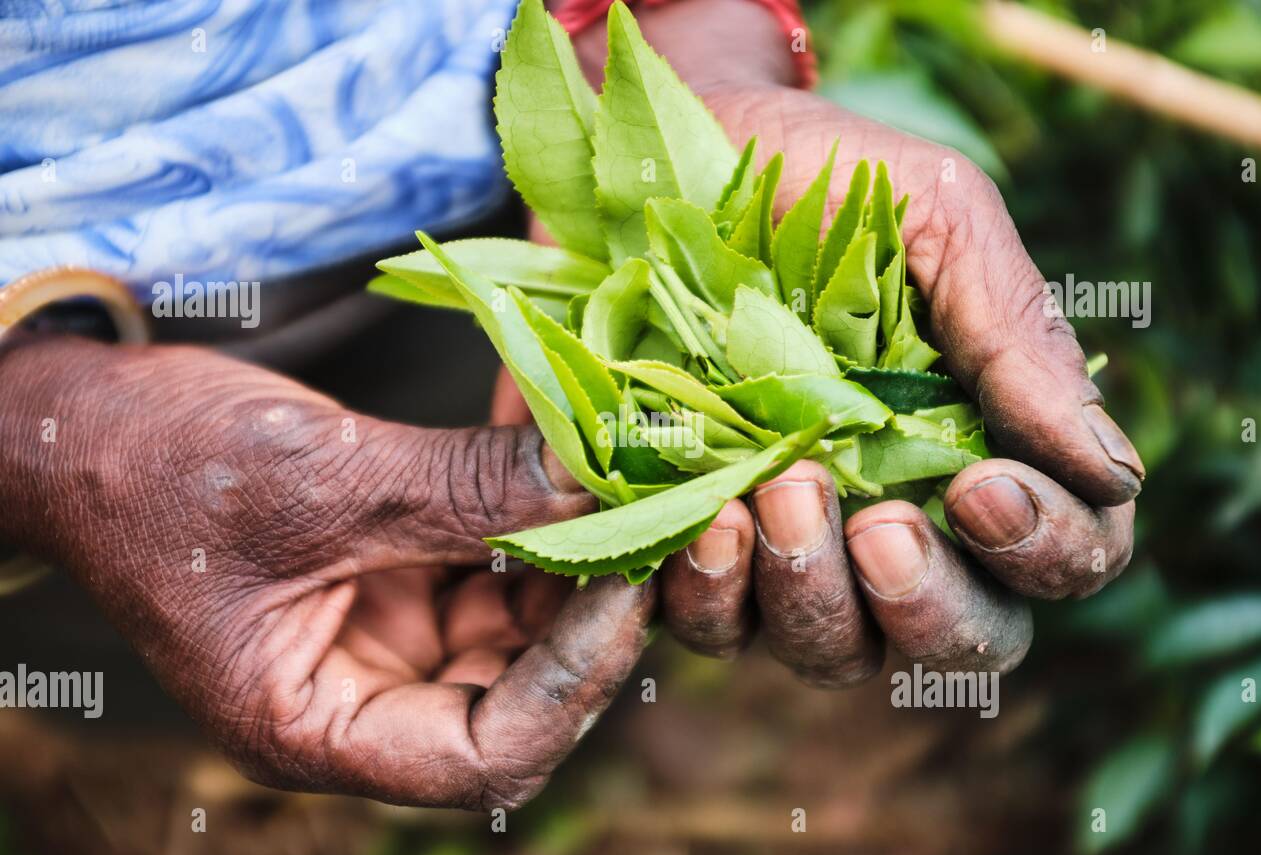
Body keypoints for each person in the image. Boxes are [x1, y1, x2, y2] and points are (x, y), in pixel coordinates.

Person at [0, 0, 1140, 809]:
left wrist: (688, 55)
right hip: (55, 381)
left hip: (509, 248)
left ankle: (560, 782)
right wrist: (33, 443)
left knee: (566, 622)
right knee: (125, 654)